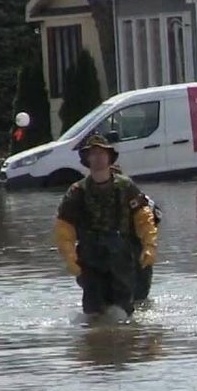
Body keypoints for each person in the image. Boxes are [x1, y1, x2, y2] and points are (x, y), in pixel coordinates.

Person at [54, 134, 158, 318]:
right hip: (91, 259)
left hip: (121, 257)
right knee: (93, 311)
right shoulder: (77, 192)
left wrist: (149, 246)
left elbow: (144, 219)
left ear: (110, 157)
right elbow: (64, 228)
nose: (98, 157)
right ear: (86, 159)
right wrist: (70, 257)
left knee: (122, 311)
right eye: (93, 153)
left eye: (102, 153)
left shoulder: (126, 187)